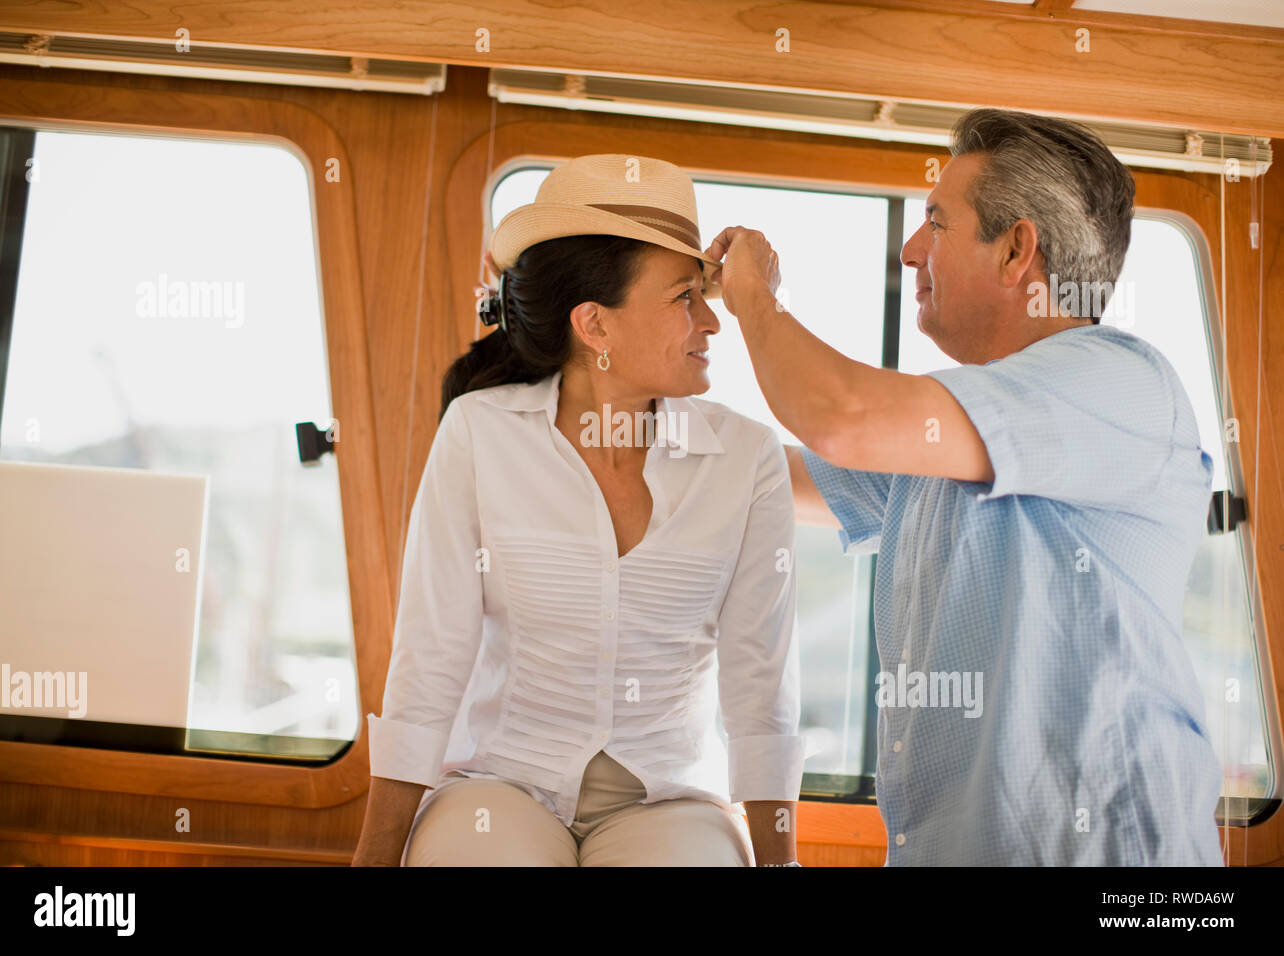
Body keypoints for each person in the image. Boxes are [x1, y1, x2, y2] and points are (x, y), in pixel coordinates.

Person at [705, 107, 1225, 865]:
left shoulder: (1118, 381)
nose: (910, 251)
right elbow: (765, 483)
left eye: (935, 223)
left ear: (1018, 249)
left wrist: (753, 295)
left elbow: (842, 416)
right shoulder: (952, 435)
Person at [351, 154, 804, 867]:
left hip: (670, 801)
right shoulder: (478, 433)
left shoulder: (747, 458)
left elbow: (761, 681)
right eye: (685, 296)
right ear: (595, 324)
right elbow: (429, 661)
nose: (712, 323)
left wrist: (781, 865)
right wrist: (373, 862)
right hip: (499, 787)